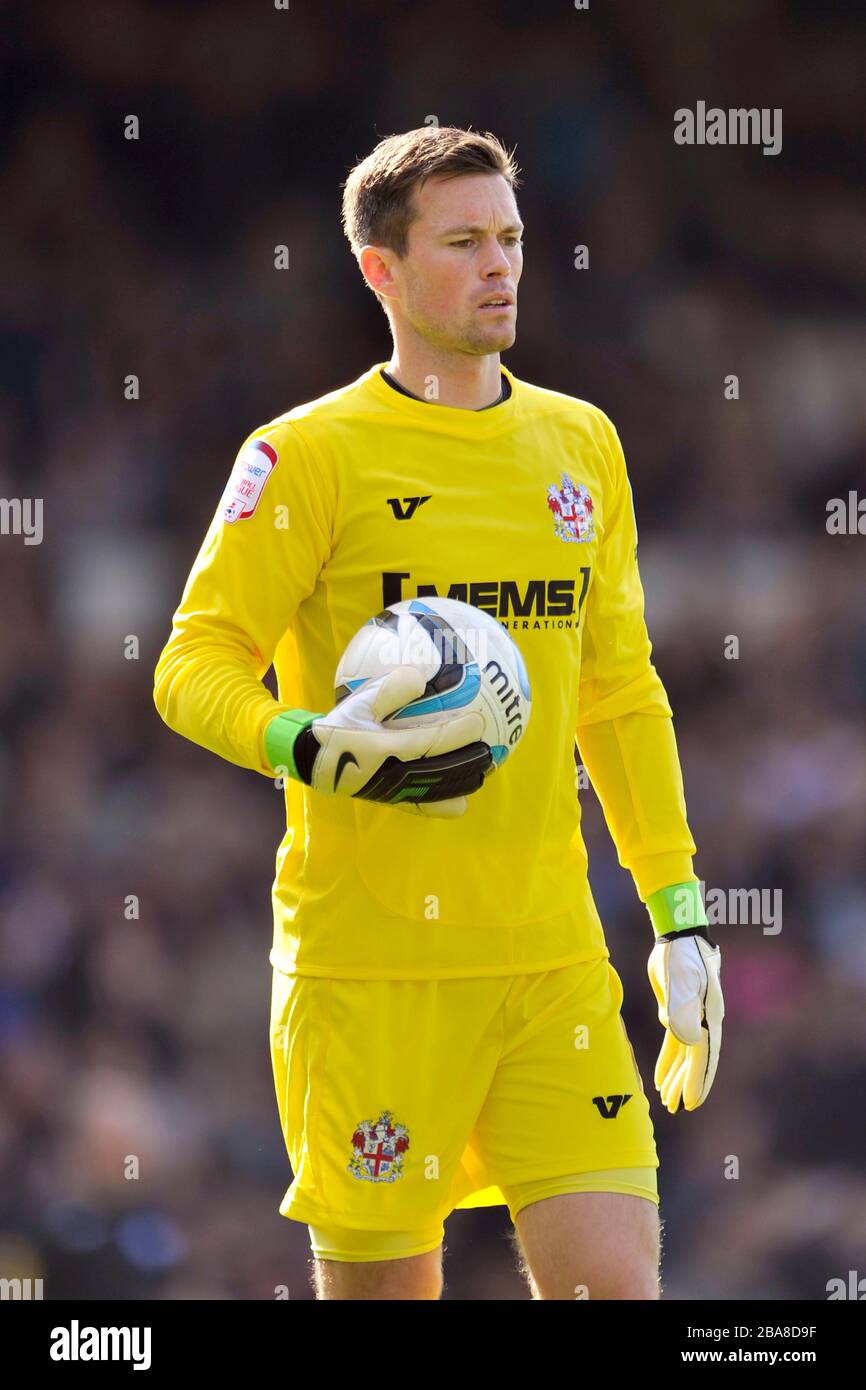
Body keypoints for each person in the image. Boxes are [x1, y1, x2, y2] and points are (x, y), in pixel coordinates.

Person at [153, 125, 723, 1301]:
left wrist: (675, 913)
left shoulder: (580, 444)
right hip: (372, 976)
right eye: (462, 242)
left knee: (611, 1290)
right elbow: (191, 663)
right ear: (382, 271)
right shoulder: (307, 456)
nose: (499, 265)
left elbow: (618, 689)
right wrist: (301, 743)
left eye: (509, 238)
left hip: (549, 963)